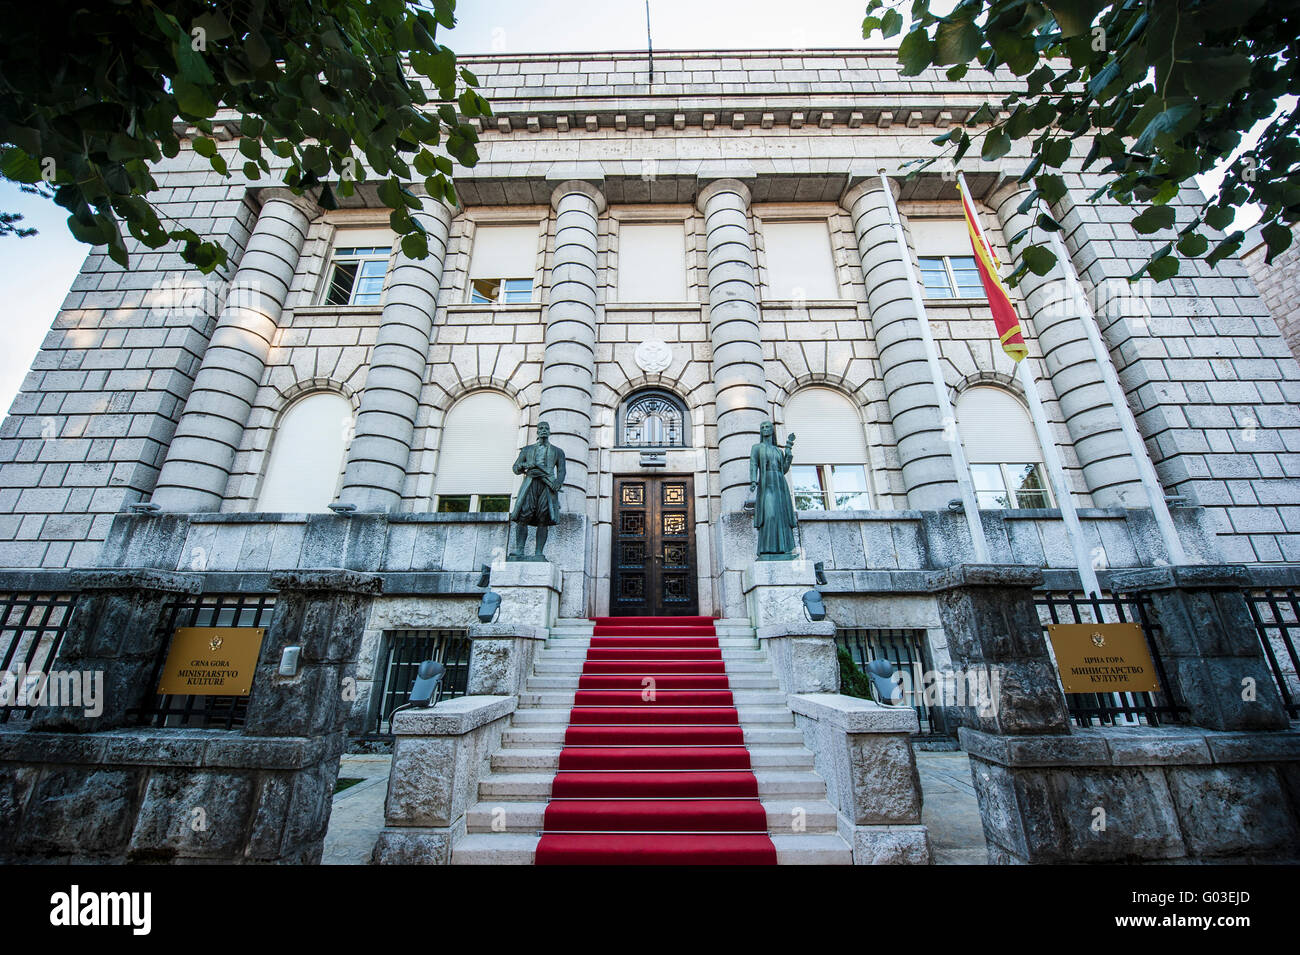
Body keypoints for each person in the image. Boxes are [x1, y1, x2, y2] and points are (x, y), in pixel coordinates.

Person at [509, 420, 566, 559]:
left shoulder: (558, 451)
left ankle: (539, 553)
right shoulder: (527, 450)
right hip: (530, 484)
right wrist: (525, 465)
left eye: (546, 428)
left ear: (550, 431)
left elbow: (562, 471)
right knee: (524, 516)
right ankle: (519, 550)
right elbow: (516, 468)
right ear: (537, 431)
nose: (544, 430)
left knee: (543, 518)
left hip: (547, 486)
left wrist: (558, 483)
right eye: (541, 428)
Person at [749, 421, 798, 559]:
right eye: (762, 427)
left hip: (780, 483)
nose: (764, 429)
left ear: (772, 430)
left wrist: (788, 454)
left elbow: (784, 469)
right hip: (767, 483)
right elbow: (753, 464)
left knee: (781, 516)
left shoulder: (778, 450)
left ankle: (785, 550)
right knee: (769, 514)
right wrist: (753, 480)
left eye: (767, 427)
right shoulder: (757, 448)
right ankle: (767, 550)